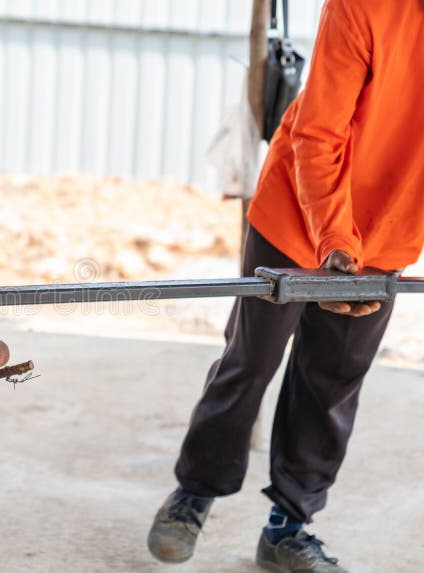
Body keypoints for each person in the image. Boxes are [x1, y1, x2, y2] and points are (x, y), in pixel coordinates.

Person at [147, 0, 424, 571]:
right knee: (251, 359)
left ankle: (288, 527)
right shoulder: (364, 7)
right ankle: (195, 492)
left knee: (332, 382)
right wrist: (337, 246)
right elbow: (318, 133)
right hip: (299, 214)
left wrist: (373, 251)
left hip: (388, 233)